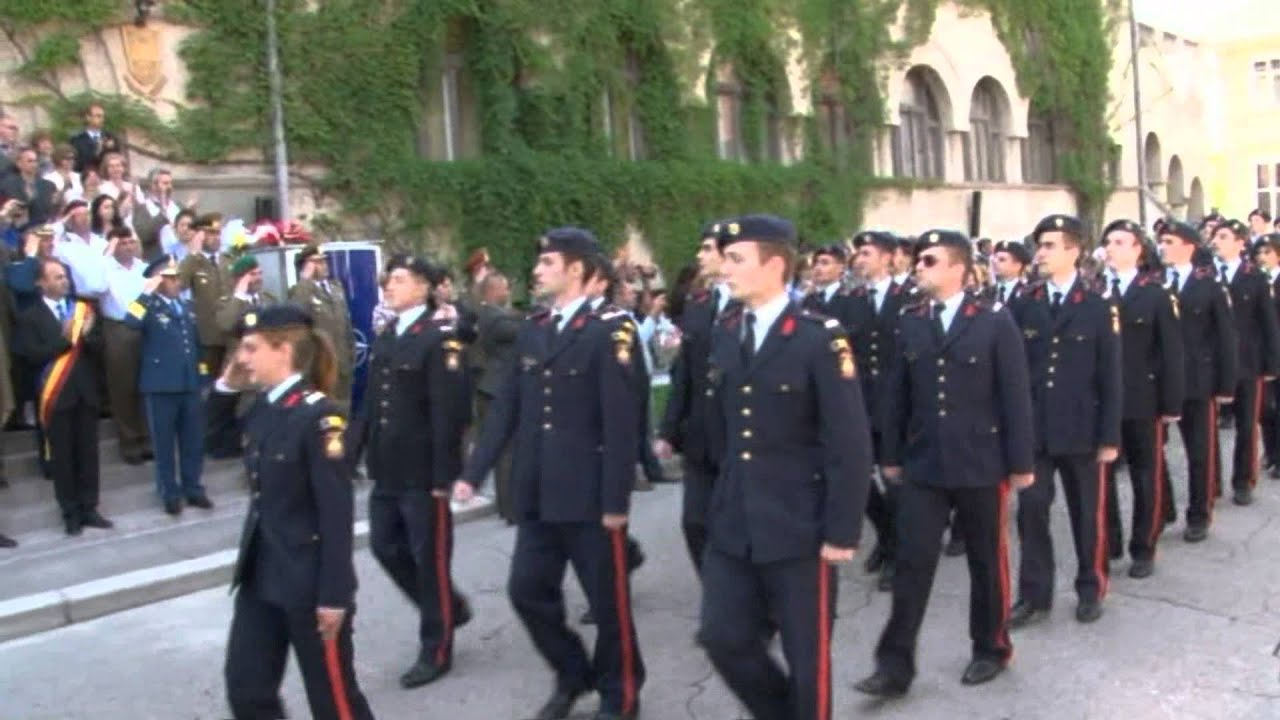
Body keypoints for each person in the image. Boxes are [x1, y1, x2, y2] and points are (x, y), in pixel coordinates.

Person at [454, 227, 645, 720]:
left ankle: (620, 690)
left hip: (590, 494)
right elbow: (507, 408)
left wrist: (616, 502)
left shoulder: (610, 330)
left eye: (546, 264)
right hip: (538, 490)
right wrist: (473, 473)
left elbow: (621, 425)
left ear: (577, 270)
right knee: (527, 591)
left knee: (608, 605)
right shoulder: (535, 327)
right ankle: (571, 672)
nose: (536, 272)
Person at [698, 214, 872, 720]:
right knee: (721, 636)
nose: (723, 269)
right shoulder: (728, 331)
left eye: (736, 259)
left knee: (807, 658)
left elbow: (849, 443)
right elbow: (722, 431)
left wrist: (841, 530)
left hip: (800, 523)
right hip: (735, 520)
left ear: (774, 265)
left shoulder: (819, 337)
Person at [855, 229, 1033, 698]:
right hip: (924, 465)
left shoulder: (994, 320)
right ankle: (894, 667)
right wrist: (890, 456)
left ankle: (991, 647)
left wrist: (1020, 462)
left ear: (958, 267)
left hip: (981, 462)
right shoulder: (911, 320)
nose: (919, 268)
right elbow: (897, 395)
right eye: (918, 261)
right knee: (912, 562)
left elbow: (1015, 396)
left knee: (986, 561)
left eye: (930, 261)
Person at [221, 304, 374, 720]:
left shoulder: (318, 416)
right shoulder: (264, 406)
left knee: (335, 702)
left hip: (308, 581)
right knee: (247, 690)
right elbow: (213, 442)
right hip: (261, 576)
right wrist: (225, 387)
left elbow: (336, 513)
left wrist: (335, 594)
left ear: (282, 350)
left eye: (251, 349)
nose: (242, 358)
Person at [347, 254, 474, 688]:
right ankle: (448, 608)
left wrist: (446, 476)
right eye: (388, 279)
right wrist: (349, 454)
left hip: (424, 472)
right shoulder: (388, 335)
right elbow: (368, 404)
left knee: (431, 560)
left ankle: (436, 647)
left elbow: (449, 413)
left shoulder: (440, 339)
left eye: (399, 280)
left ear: (423, 288)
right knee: (386, 547)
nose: (388, 286)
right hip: (387, 467)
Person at [1010, 214, 1122, 628]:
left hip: (1082, 429)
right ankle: (1033, 595)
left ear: (1073, 251)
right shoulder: (1024, 302)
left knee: (1085, 513)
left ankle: (1090, 586)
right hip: (1036, 430)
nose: (1040, 253)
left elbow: (1110, 376)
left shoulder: (1097, 304)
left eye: (1050, 245)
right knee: (1032, 511)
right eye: (1039, 245)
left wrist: (1109, 435)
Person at [1099, 219, 1184, 579]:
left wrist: (1171, 405)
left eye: (1121, 242)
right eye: (1108, 242)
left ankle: (1143, 546)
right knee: (1102, 478)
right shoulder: (1092, 292)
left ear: (1137, 250)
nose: (1112, 248)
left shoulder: (1156, 294)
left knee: (1144, 474)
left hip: (1142, 399)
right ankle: (1110, 542)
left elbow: (1171, 353)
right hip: (1101, 401)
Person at [656, 221, 731, 575]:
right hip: (700, 436)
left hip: (739, 438)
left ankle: (754, 612)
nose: (699, 256)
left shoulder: (752, 306)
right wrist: (668, 431)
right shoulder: (698, 305)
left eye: (707, 249)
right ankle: (721, 599)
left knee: (739, 530)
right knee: (695, 525)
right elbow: (684, 372)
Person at [16, 258, 111, 536]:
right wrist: (66, 338)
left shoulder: (83, 310)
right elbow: (32, 355)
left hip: (85, 393)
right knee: (63, 457)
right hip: (55, 395)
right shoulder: (30, 316)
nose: (63, 281)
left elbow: (98, 348)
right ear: (41, 283)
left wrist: (90, 333)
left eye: (64, 276)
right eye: (56, 277)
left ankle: (89, 507)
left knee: (88, 454)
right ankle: (69, 512)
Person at [1159, 220, 1237, 542]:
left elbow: (1225, 339)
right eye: (1160, 240)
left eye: (1169, 241)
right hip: (1159, 381)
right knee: (1152, 453)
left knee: (1199, 452)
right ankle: (1161, 508)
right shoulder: (1154, 283)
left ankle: (1199, 513)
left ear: (1188, 247)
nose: (1162, 246)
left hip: (1197, 381)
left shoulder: (1209, 286)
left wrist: (1225, 386)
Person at [847, 231, 912, 591]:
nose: (859, 259)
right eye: (857, 253)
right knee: (860, 479)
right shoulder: (850, 299)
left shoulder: (909, 298)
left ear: (888, 258)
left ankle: (898, 555)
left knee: (896, 481)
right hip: (859, 403)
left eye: (867, 253)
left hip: (895, 405)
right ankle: (886, 534)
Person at [125, 254, 211, 515]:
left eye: (176, 278)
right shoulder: (149, 307)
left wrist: (203, 375)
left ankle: (193, 488)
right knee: (164, 444)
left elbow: (197, 344)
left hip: (189, 383)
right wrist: (145, 294)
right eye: (170, 278)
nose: (177, 283)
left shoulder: (185, 307)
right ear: (159, 281)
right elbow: (130, 321)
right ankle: (169, 492)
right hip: (161, 385)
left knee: (192, 441)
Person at [1211, 218, 1280, 505]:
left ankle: (1243, 481)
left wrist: (1271, 366)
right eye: (1216, 236)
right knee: (1207, 428)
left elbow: (1268, 325)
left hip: (1247, 362)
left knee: (1247, 424)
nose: (1216, 241)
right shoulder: (1206, 276)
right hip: (1212, 363)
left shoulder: (1255, 277)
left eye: (1224, 236)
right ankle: (1210, 483)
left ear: (1240, 243)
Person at [471, 270, 522, 523]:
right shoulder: (491, 316)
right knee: (506, 450)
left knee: (506, 449)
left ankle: (509, 504)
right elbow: (517, 329)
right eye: (503, 288)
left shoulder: (495, 314)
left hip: (493, 387)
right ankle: (510, 507)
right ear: (491, 291)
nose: (507, 293)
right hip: (495, 388)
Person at [100, 226, 152, 465]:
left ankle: (147, 437)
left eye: (131, 242)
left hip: (145, 328)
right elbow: (93, 286)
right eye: (122, 243)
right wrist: (105, 255)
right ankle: (129, 441)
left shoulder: (144, 269)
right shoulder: (106, 270)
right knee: (123, 387)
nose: (129, 247)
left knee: (146, 384)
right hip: (118, 328)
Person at [289, 245, 355, 416]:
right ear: (306, 265)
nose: (324, 265)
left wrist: (351, 354)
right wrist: (305, 280)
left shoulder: (335, 287)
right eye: (317, 262)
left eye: (324, 260)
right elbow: (296, 313)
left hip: (342, 363)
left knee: (343, 411)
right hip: (319, 365)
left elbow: (345, 324)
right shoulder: (300, 291)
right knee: (322, 414)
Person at [178, 213, 229, 382]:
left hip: (229, 334)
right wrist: (193, 253)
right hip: (207, 337)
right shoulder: (193, 262)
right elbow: (179, 285)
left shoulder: (227, 261)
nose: (215, 238)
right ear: (200, 235)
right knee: (208, 385)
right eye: (210, 233)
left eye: (217, 233)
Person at [68, 103, 119, 174]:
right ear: (88, 118)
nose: (101, 119)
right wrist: (97, 151)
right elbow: (76, 165)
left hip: (107, 179)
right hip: (86, 179)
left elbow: (118, 160)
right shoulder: (77, 140)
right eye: (98, 116)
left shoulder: (111, 137)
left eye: (102, 116)